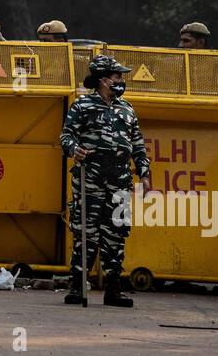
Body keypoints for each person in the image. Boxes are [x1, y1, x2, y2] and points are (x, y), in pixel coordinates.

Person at [59, 54, 151, 307]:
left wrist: (144, 173)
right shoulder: (82, 106)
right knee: (86, 233)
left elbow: (138, 146)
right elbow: (66, 136)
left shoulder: (127, 108)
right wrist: (73, 149)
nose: (121, 81)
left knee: (116, 234)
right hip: (90, 179)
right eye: (117, 76)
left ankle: (114, 290)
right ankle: (78, 287)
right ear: (103, 80)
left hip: (120, 181)